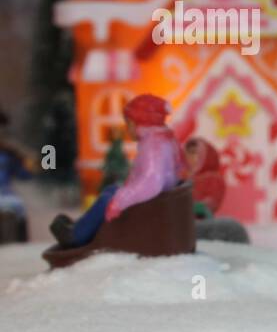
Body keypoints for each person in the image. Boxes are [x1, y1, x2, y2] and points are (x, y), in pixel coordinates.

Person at [49, 94, 186, 248]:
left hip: (152, 204)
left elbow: (151, 183)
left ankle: (75, 236)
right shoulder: (162, 138)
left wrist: (119, 202)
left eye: (128, 123)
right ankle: (81, 227)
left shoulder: (153, 146)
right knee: (111, 190)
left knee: (107, 200)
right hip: (158, 199)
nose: (127, 128)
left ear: (139, 122)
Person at [0, 108, 35, 244]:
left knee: (17, 207)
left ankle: (19, 245)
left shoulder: (8, 154)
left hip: (6, 195)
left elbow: (23, 175)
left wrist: (28, 165)